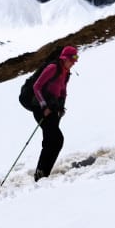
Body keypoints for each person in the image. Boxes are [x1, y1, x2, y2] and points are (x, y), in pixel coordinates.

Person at [31, 45, 78, 180]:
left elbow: (63, 91)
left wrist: (61, 106)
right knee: (56, 139)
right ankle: (42, 173)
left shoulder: (65, 72)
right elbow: (37, 86)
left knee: (51, 140)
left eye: (75, 60)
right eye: (72, 59)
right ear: (65, 58)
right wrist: (44, 105)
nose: (74, 63)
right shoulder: (53, 68)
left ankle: (42, 173)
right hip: (42, 109)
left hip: (53, 109)